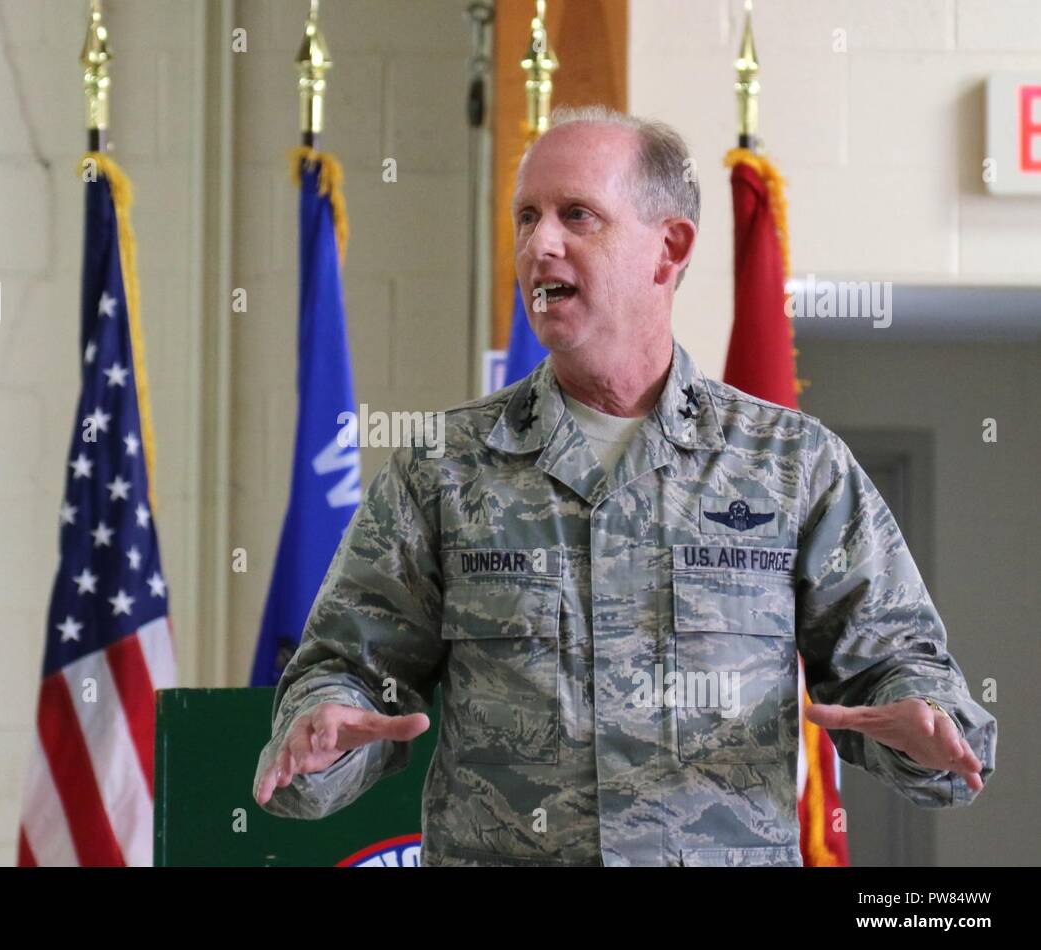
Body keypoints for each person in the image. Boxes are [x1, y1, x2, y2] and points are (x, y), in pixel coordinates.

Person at [252, 105, 996, 866]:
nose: (540, 244)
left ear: (668, 250)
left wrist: (926, 727)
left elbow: (899, 671)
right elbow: (347, 668)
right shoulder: (442, 467)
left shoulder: (794, 465)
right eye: (526, 218)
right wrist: (327, 720)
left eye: (578, 215)